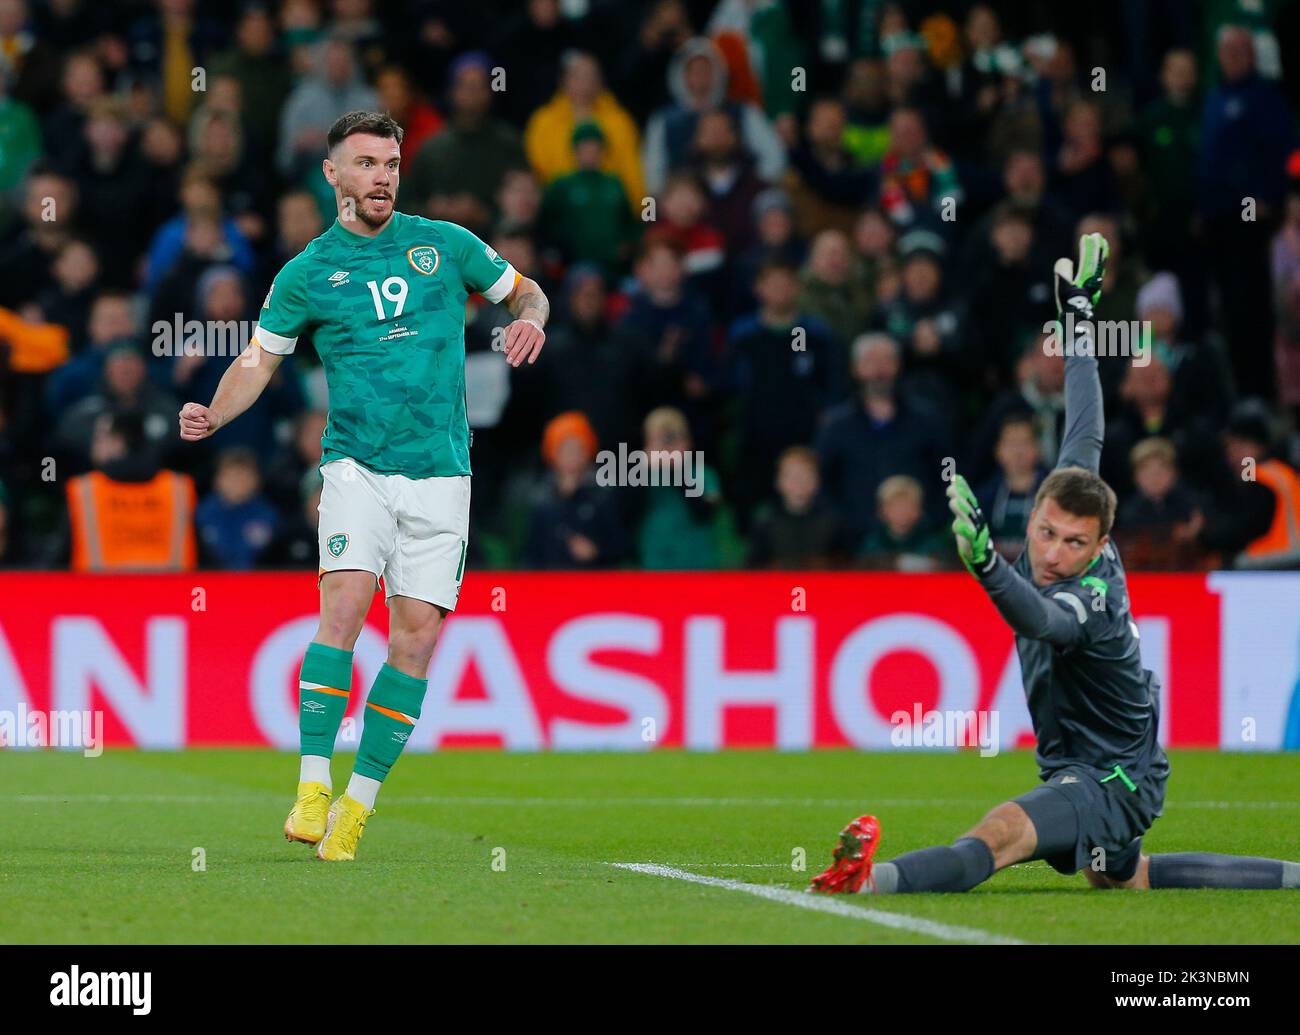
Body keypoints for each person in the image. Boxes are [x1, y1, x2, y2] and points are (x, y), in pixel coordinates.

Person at [811, 234, 1300, 895]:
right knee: (1126, 876)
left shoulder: (1087, 596)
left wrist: (987, 564)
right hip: (1113, 762)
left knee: (999, 833)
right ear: (1038, 508)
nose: (1054, 551)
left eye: (1075, 543)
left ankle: (870, 881)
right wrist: (1079, 322)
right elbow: (1087, 425)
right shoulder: (1075, 496)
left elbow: (1042, 618)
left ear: (1100, 546)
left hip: (1109, 775)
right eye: (1046, 532)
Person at [177, 111, 549, 862]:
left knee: (415, 637)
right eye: (368, 162)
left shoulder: (444, 244)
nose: (383, 175)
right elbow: (257, 360)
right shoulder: (308, 273)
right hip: (357, 466)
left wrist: (531, 320)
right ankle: (314, 783)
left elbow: (525, 292)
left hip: (443, 471)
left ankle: (357, 804)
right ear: (334, 174)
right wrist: (215, 411)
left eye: (391, 162)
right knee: (343, 606)